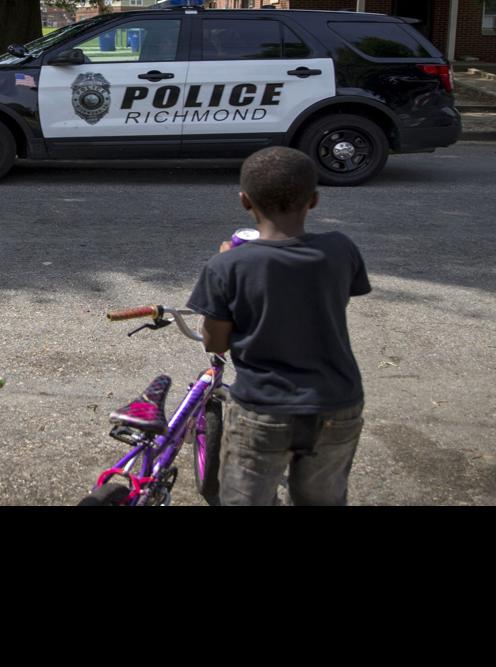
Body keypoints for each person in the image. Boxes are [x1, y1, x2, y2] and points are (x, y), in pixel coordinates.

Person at [123, 146, 370, 505]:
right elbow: (330, 302)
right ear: (314, 200)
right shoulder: (340, 248)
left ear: (244, 201)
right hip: (338, 403)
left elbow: (215, 343)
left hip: (264, 408)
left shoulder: (226, 266)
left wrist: (230, 263)